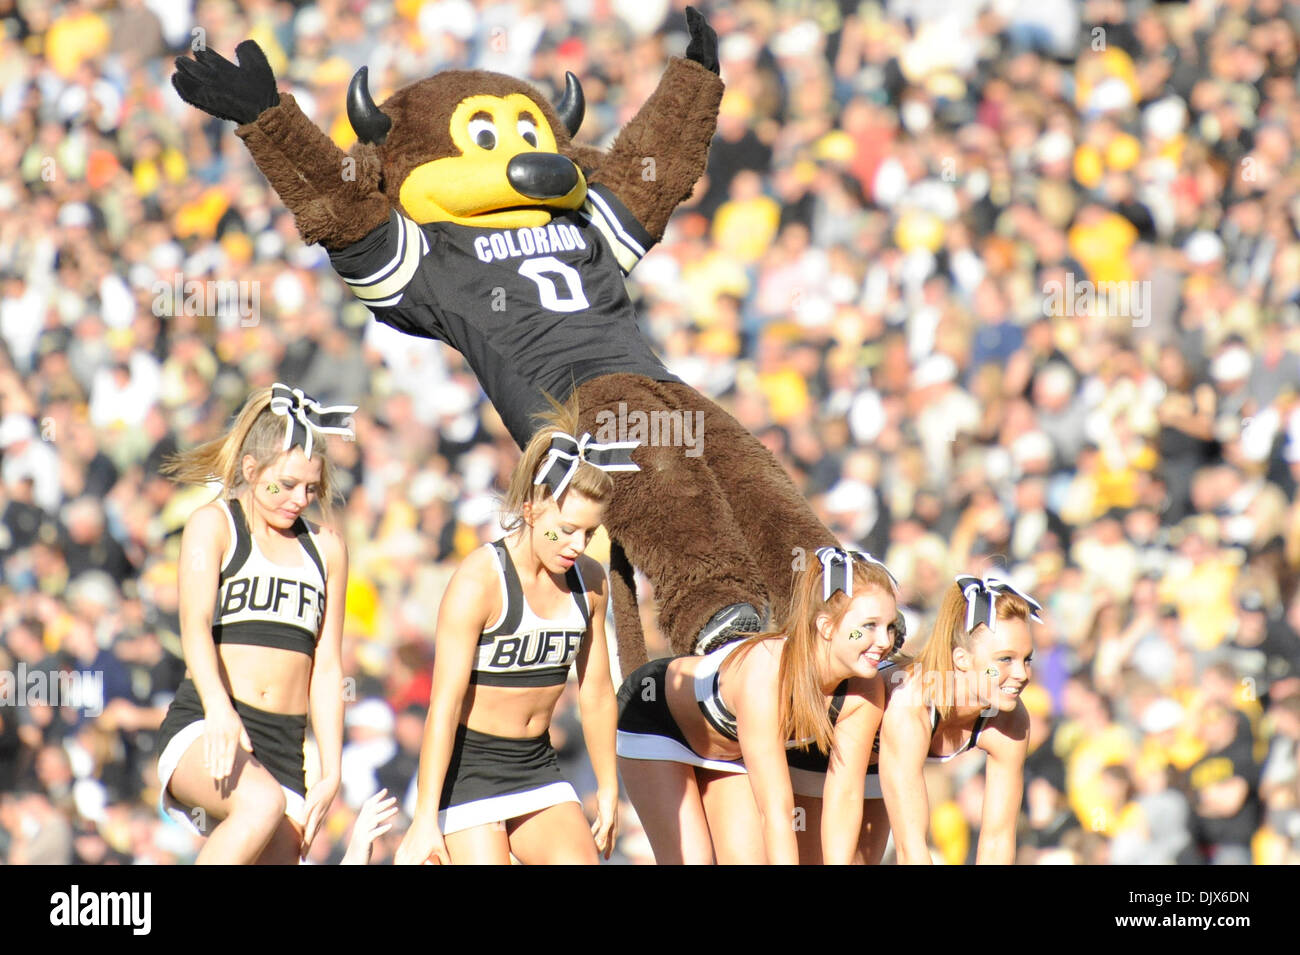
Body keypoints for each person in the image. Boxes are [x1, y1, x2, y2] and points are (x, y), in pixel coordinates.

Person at [395, 402, 625, 865]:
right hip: (468, 768)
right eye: (567, 530)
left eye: (590, 532)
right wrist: (424, 816)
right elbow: (443, 704)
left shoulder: (591, 581)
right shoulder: (479, 581)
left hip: (537, 764)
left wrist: (608, 785)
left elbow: (596, 693)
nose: (578, 546)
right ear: (531, 509)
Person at [154, 384, 353, 863]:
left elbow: (326, 667)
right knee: (261, 804)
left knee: (282, 839)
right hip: (211, 721)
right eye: (284, 485)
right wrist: (220, 711)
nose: (299, 498)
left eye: (310, 487)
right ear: (250, 470)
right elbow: (195, 625)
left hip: (285, 745)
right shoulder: (215, 524)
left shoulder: (326, 548)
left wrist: (332, 765)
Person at [616, 547, 896, 864]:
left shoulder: (866, 689)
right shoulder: (769, 672)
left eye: (890, 626)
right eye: (870, 625)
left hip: (729, 750)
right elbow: (775, 808)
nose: (885, 641)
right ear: (826, 626)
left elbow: (844, 796)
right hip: (657, 720)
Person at [880, 574, 1041, 865]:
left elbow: (997, 840)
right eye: (1005, 659)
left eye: (1027, 659)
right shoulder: (912, 704)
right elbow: (910, 846)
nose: (1021, 674)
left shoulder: (1011, 720)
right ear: (962, 659)